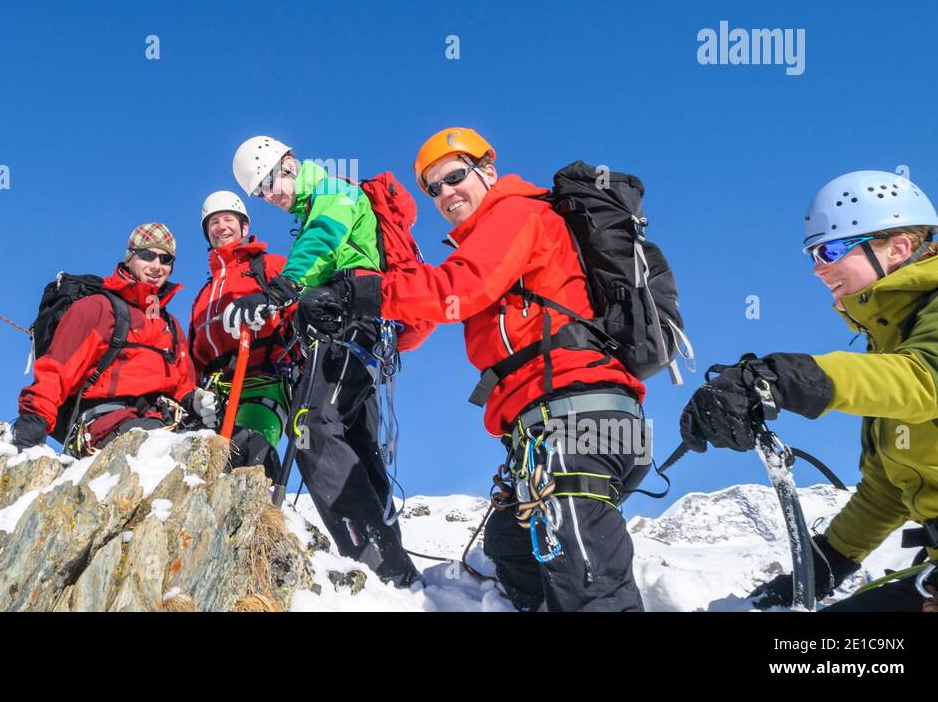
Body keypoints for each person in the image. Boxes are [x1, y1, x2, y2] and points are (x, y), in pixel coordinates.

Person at [299, 128, 652, 611]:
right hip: (555, 429)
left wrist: (357, 292)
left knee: (590, 586)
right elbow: (436, 308)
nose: (445, 194)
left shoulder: (516, 212)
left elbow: (460, 288)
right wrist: (379, 334)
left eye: (454, 176)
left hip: (577, 422)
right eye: (433, 188)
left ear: (488, 169)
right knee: (513, 552)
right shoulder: (490, 237)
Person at [680, 170, 938, 612]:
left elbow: (928, 381)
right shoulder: (889, 340)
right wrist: (820, 570)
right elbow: (887, 490)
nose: (817, 268)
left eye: (830, 249)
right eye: (812, 254)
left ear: (898, 247)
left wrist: (784, 377)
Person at [224, 136, 419, 587]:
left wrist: (280, 290)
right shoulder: (321, 201)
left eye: (269, 184)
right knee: (353, 437)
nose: (271, 197)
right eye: (261, 194)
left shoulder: (333, 193)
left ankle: (373, 562)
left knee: (310, 426)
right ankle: (393, 565)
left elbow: (323, 240)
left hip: (349, 327)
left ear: (288, 163)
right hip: (360, 331)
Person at [12, 223, 215, 455]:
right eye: (148, 255)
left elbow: (182, 383)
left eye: (166, 259)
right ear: (130, 257)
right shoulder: (97, 308)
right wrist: (32, 426)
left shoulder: (170, 326)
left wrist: (194, 399)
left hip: (161, 421)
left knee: (244, 444)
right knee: (173, 453)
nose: (157, 266)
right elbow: (56, 371)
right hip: (105, 423)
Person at [188, 191, 292, 478]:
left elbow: (300, 304)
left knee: (246, 451)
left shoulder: (270, 267)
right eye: (214, 222)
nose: (221, 227)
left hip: (263, 380)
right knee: (197, 467)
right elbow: (193, 353)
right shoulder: (203, 297)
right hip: (215, 393)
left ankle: (258, 516)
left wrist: (269, 309)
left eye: (228, 219)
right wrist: (191, 394)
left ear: (244, 227)